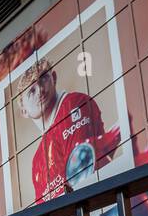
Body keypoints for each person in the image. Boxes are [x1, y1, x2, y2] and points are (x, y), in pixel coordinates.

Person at [16, 58, 120, 203]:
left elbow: (81, 177)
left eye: (43, 79)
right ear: (24, 111)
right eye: (31, 91)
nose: (40, 90)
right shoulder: (37, 161)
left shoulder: (73, 104)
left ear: (53, 77)